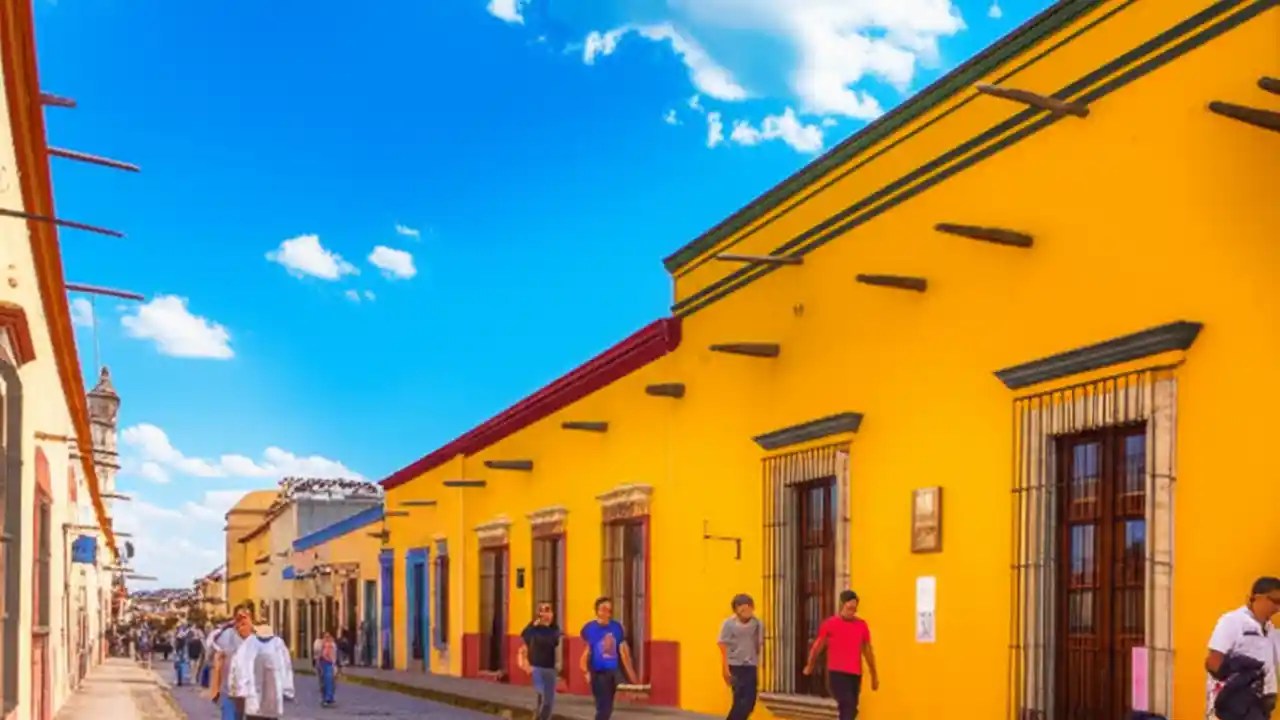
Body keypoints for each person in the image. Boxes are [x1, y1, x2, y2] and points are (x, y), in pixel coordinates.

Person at [1206, 577, 1280, 719]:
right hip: (1231, 707)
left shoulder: (1271, 631)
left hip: (1258, 708)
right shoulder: (1232, 621)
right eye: (1275, 601)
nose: (1278, 608)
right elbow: (1213, 662)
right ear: (1257, 598)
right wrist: (1238, 672)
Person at [803, 590, 879, 720]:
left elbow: (868, 651)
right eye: (849, 608)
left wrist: (874, 675)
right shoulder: (830, 624)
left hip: (855, 675)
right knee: (847, 705)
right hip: (837, 674)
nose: (851, 612)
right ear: (841, 606)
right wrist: (810, 665)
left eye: (854, 609)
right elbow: (817, 647)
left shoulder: (861, 626)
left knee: (852, 708)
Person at [579, 597, 638, 720]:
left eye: (609, 610)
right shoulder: (589, 628)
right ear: (597, 611)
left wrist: (632, 677)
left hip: (613, 673)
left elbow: (624, 652)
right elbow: (586, 651)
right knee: (603, 707)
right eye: (603, 609)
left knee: (608, 707)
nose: (607, 613)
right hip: (597, 673)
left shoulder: (616, 627)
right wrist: (585, 671)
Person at [228, 620, 295, 720]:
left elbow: (237, 667)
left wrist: (236, 688)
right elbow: (286, 668)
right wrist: (287, 689)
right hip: (267, 695)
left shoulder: (249, 643)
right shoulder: (277, 643)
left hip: (257, 694)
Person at [719, 594, 763, 720]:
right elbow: (723, 645)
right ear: (736, 610)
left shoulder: (758, 624)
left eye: (749, 608)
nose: (746, 612)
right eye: (742, 609)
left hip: (750, 666)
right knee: (740, 700)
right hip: (735, 666)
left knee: (750, 701)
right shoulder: (729, 624)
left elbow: (758, 645)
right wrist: (725, 668)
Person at [208, 607, 254, 720]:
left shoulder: (255, 637)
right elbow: (212, 655)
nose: (242, 620)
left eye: (246, 616)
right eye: (240, 616)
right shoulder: (225, 635)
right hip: (229, 689)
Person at [520, 602, 564, 720]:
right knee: (542, 695)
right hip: (536, 667)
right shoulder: (533, 628)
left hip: (550, 668)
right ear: (538, 613)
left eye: (548, 610)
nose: (545, 613)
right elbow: (524, 640)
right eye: (542, 610)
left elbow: (556, 643)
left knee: (549, 702)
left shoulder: (555, 629)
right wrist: (525, 663)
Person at [317, 631, 340, 708]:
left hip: (329, 664)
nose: (327, 638)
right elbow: (321, 655)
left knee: (329, 682)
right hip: (326, 664)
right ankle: (327, 698)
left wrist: (334, 664)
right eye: (325, 637)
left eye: (328, 636)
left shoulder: (331, 645)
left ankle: (328, 698)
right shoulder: (323, 644)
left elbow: (333, 655)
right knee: (327, 682)